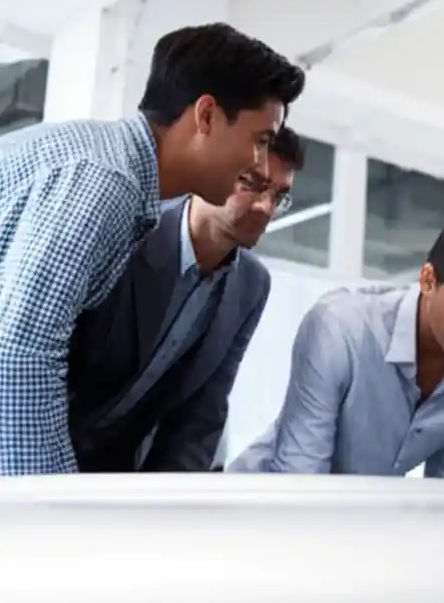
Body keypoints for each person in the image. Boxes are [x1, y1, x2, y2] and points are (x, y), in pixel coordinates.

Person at [0, 22, 304, 476]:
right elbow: (21, 355)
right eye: (259, 141)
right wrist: (54, 518)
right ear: (207, 116)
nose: (254, 164)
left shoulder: (123, 182)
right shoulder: (105, 180)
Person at [67, 127, 305, 473]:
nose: (266, 206)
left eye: (280, 195)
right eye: (253, 183)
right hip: (19, 447)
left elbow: (201, 415)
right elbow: (51, 367)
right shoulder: (133, 229)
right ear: (217, 167)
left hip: (111, 474)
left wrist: (171, 510)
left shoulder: (252, 285)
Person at [228, 212, 444, 477]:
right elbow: (300, 477)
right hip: (260, 508)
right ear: (427, 280)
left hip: (361, 521)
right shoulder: (342, 327)